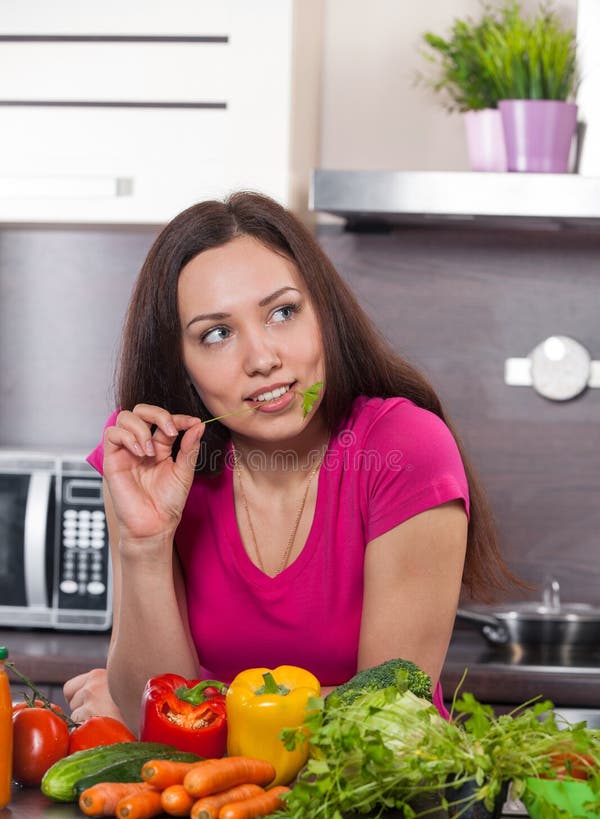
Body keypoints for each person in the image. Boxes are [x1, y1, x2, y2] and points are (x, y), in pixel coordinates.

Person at [64, 191, 518, 732]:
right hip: (207, 808)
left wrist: (193, 706)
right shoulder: (147, 470)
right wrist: (144, 544)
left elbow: (388, 716)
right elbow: (154, 728)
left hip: (377, 807)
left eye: (282, 312)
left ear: (323, 311)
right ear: (179, 364)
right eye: (216, 333)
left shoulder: (406, 447)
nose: (262, 359)